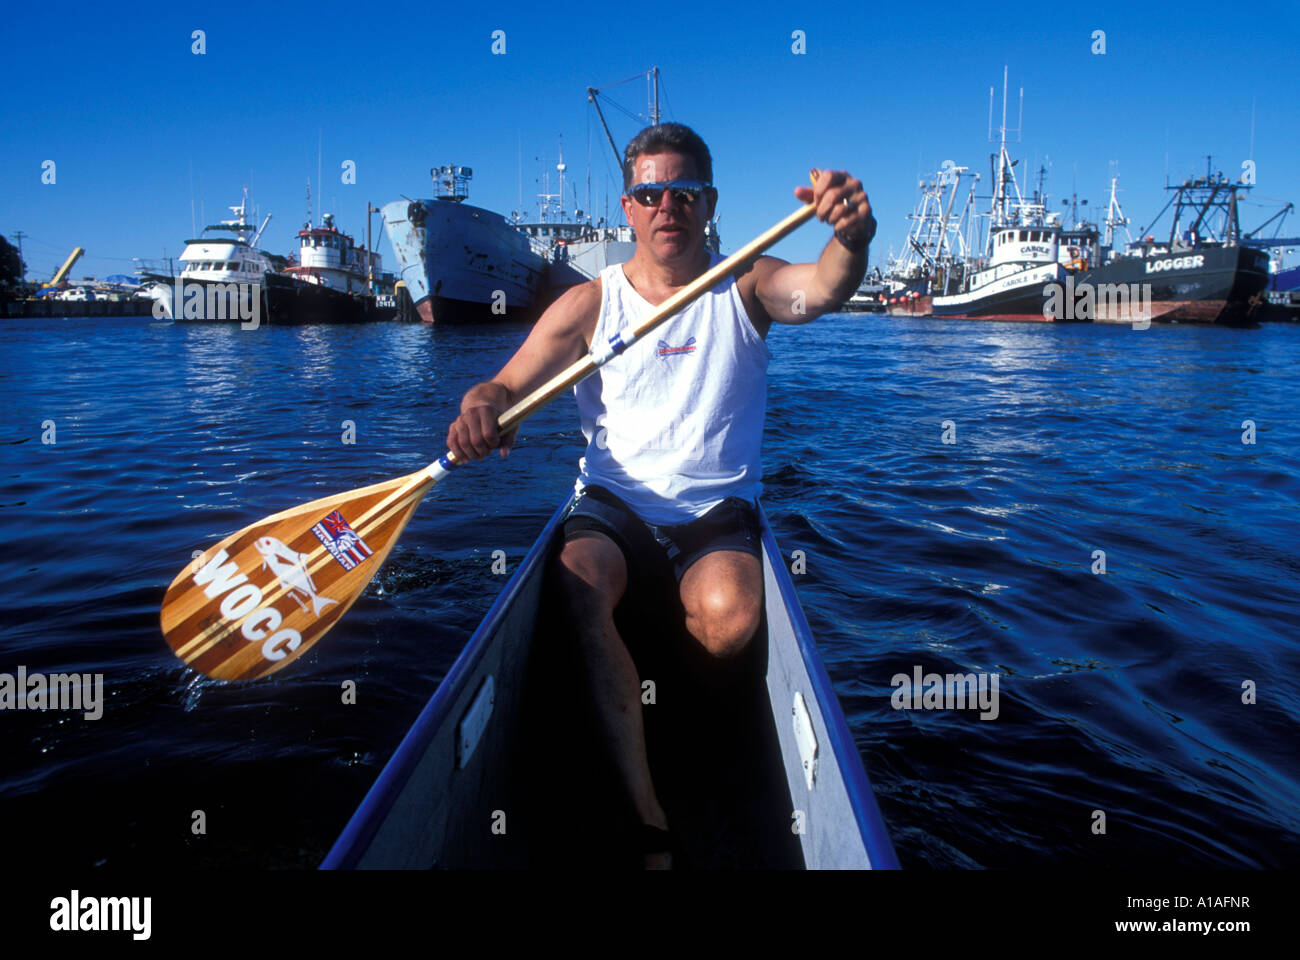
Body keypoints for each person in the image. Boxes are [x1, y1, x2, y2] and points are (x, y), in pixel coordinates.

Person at [446, 123, 874, 868]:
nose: (666, 205)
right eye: (651, 192)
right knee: (578, 584)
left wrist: (853, 238)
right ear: (628, 207)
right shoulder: (590, 305)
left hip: (711, 513)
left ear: (709, 204)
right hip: (614, 505)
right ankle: (648, 818)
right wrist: (480, 404)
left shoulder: (747, 284)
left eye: (684, 192)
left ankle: (676, 714)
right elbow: (507, 383)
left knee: (732, 620)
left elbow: (824, 287)